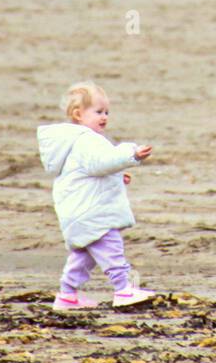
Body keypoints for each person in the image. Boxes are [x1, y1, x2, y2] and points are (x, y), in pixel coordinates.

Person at [37, 81, 155, 311]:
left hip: (79, 212)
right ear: (78, 114)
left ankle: (67, 295)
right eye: (98, 112)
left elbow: (88, 173)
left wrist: (118, 177)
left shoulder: (74, 142)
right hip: (93, 213)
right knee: (111, 248)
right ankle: (123, 289)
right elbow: (102, 162)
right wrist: (132, 154)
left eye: (107, 112)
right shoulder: (85, 140)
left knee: (83, 256)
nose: (104, 117)